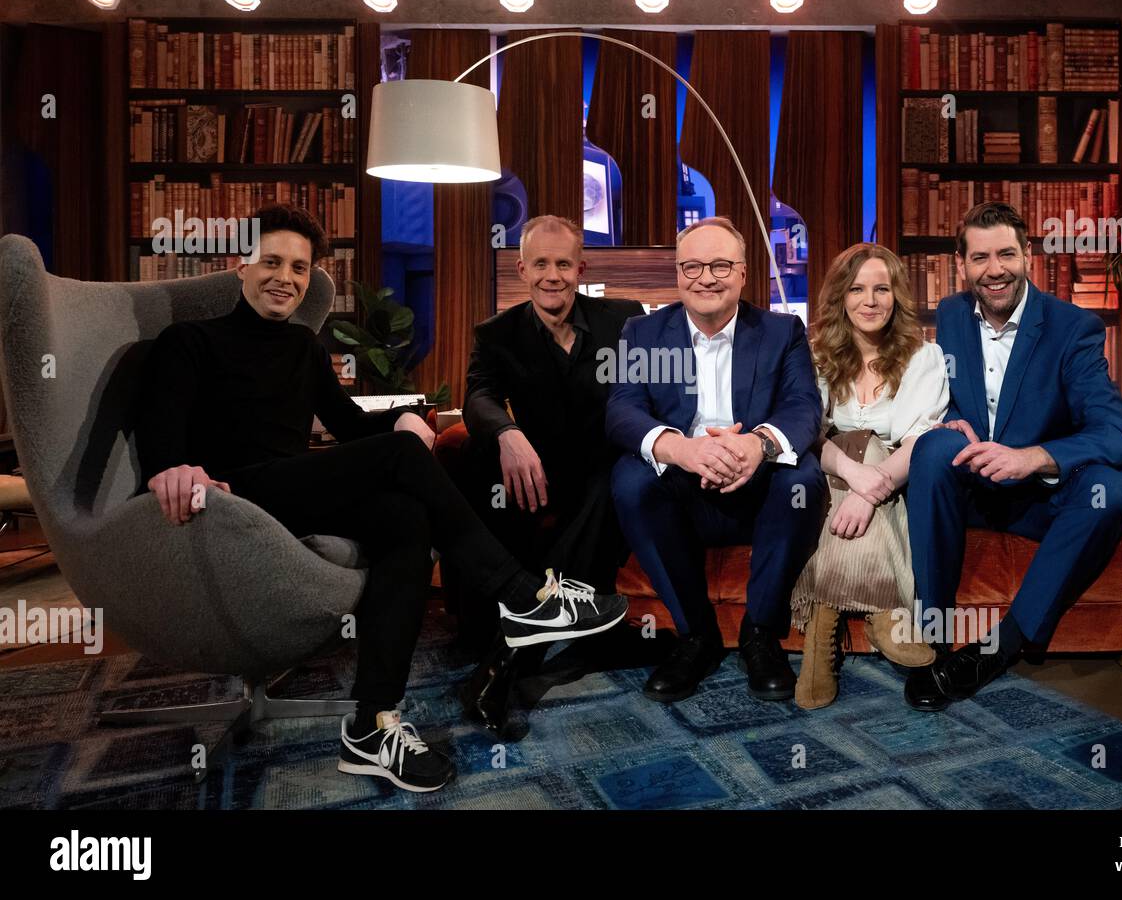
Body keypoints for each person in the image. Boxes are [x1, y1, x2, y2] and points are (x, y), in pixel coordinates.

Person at [134, 203, 628, 793]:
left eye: (298, 268)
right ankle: (522, 595)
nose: (284, 278)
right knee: (402, 460)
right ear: (241, 266)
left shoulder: (304, 348)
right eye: (271, 262)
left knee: (406, 518)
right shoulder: (188, 341)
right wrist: (174, 469)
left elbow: (346, 424)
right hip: (231, 496)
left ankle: (373, 725)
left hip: (291, 490)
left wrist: (408, 418)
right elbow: (158, 444)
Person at [904, 201, 1122, 711]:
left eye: (1007, 254)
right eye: (981, 257)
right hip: (974, 490)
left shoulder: (1072, 328)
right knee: (934, 447)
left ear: (1027, 254)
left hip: (1039, 498)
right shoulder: (950, 315)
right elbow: (940, 394)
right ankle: (933, 636)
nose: (995, 270)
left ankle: (999, 646)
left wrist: (1035, 457)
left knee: (1111, 489)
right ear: (960, 264)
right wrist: (944, 418)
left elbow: (1118, 433)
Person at [606, 216, 825, 704]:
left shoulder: (781, 330)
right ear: (678, 273)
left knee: (804, 477)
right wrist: (684, 449)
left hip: (758, 482)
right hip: (683, 483)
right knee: (629, 481)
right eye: (693, 266)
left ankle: (760, 634)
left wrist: (756, 446)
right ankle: (697, 637)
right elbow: (622, 409)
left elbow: (804, 406)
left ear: (744, 273)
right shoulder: (642, 332)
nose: (706, 277)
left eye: (721, 265)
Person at [444, 215, 644, 732]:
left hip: (607, 464)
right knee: (471, 462)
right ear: (521, 270)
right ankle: (496, 627)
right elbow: (479, 396)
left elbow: (645, 398)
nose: (552, 275)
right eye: (540, 264)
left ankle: (502, 662)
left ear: (580, 268)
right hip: (539, 469)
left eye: (562, 263)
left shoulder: (624, 318)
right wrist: (508, 435)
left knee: (614, 479)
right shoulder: (496, 334)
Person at [790, 243, 949, 709]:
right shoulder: (813, 357)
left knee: (874, 442)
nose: (870, 300)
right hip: (832, 474)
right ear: (841, 297)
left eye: (882, 289)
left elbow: (918, 438)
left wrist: (871, 485)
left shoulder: (925, 357)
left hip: (894, 481)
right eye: (857, 289)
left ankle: (821, 632)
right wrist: (855, 476)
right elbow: (805, 435)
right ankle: (886, 612)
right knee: (843, 445)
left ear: (896, 295)